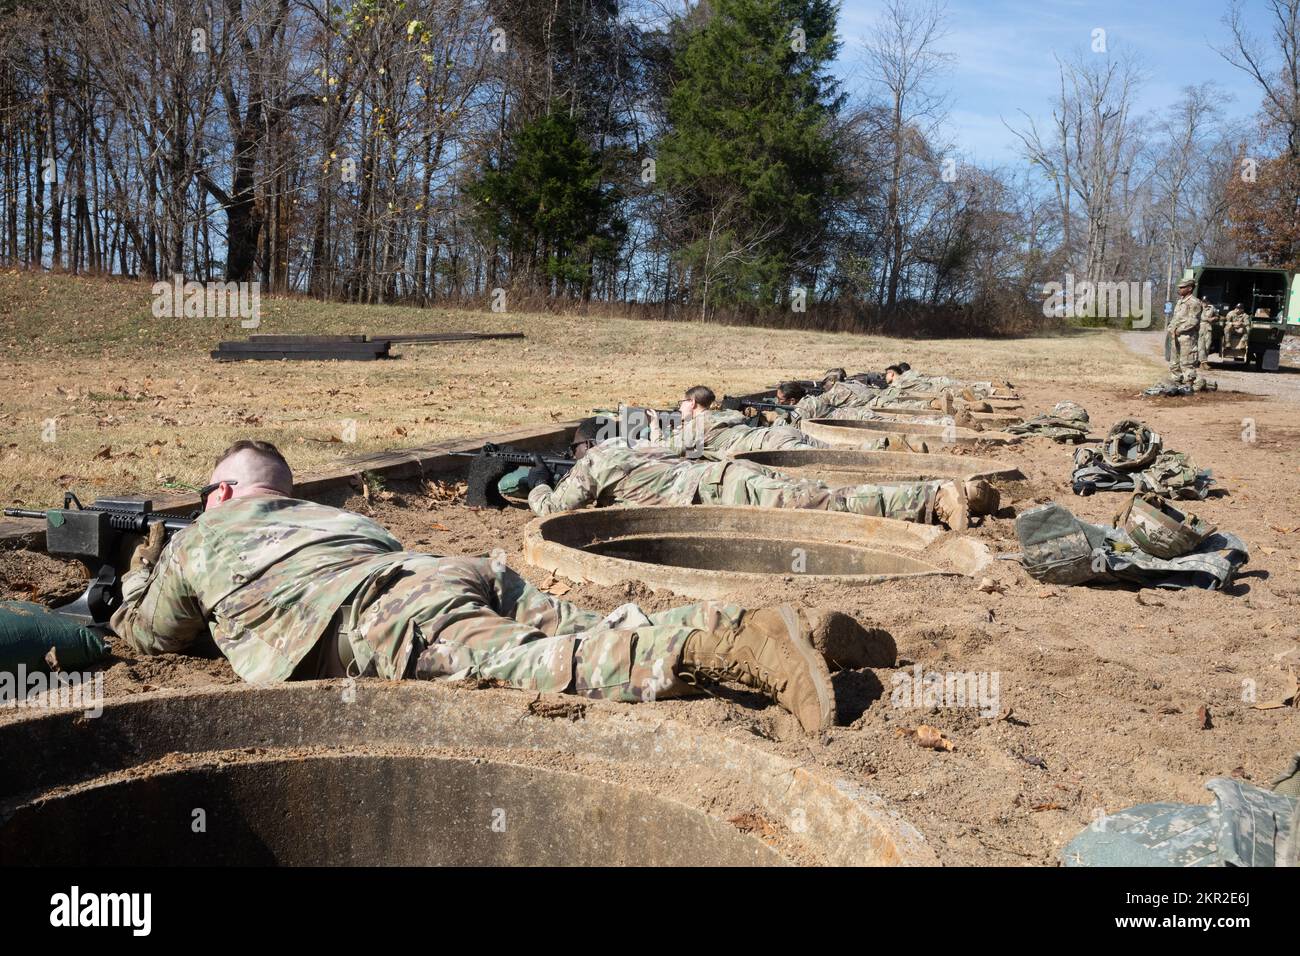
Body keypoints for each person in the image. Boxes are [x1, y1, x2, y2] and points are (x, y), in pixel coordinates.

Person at [106, 440, 904, 734]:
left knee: (541, 664)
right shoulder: (329, 516)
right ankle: (753, 618)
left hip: (384, 613)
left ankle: (723, 650)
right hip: (451, 573)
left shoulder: (209, 534)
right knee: (590, 620)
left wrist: (142, 571)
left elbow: (147, 638)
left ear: (221, 495)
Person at [525, 419, 998, 529]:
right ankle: (942, 493)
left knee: (828, 505)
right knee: (827, 495)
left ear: (581, 450)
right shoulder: (634, 443)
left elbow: (553, 510)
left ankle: (936, 498)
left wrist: (539, 481)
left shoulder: (594, 463)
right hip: (732, 474)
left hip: (723, 491)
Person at [642, 385, 830, 459]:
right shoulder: (725, 415)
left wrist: (654, 426)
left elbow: (662, 449)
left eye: (681, 403)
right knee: (845, 453)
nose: (679, 407)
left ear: (692, 402)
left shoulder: (699, 426)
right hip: (782, 435)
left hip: (771, 446)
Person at [1168, 277, 1203, 384]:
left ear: (1190, 288)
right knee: (1174, 363)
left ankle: (1191, 385)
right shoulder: (1180, 302)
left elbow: (1193, 321)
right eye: (1179, 287)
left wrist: (1180, 330)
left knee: (1187, 363)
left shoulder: (1194, 302)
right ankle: (1176, 382)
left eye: (1182, 287)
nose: (1180, 289)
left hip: (1187, 338)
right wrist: (1170, 328)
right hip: (1175, 337)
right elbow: (1175, 318)